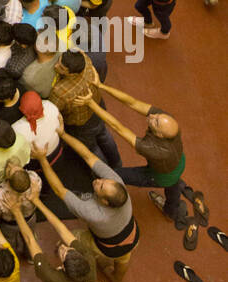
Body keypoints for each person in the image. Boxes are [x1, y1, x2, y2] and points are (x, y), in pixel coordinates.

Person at [85, 81, 201, 230]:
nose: (152, 116)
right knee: (173, 184)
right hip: (178, 164)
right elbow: (133, 103)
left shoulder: (154, 150)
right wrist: (101, 86)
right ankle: (171, 211)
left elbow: (118, 128)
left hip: (160, 175)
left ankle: (99, 197)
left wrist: (91, 104)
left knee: (115, 175)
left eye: (156, 122)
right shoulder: (168, 122)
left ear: (159, 134)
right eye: (156, 116)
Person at [32, 132, 139, 282]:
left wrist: (42, 159)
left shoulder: (93, 212)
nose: (97, 180)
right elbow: (89, 156)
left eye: (100, 186)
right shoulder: (117, 186)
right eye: (103, 181)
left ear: (104, 202)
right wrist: (63, 133)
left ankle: (68, 252)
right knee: (124, 256)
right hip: (132, 237)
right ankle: (117, 280)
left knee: (74, 236)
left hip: (107, 247)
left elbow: (59, 190)